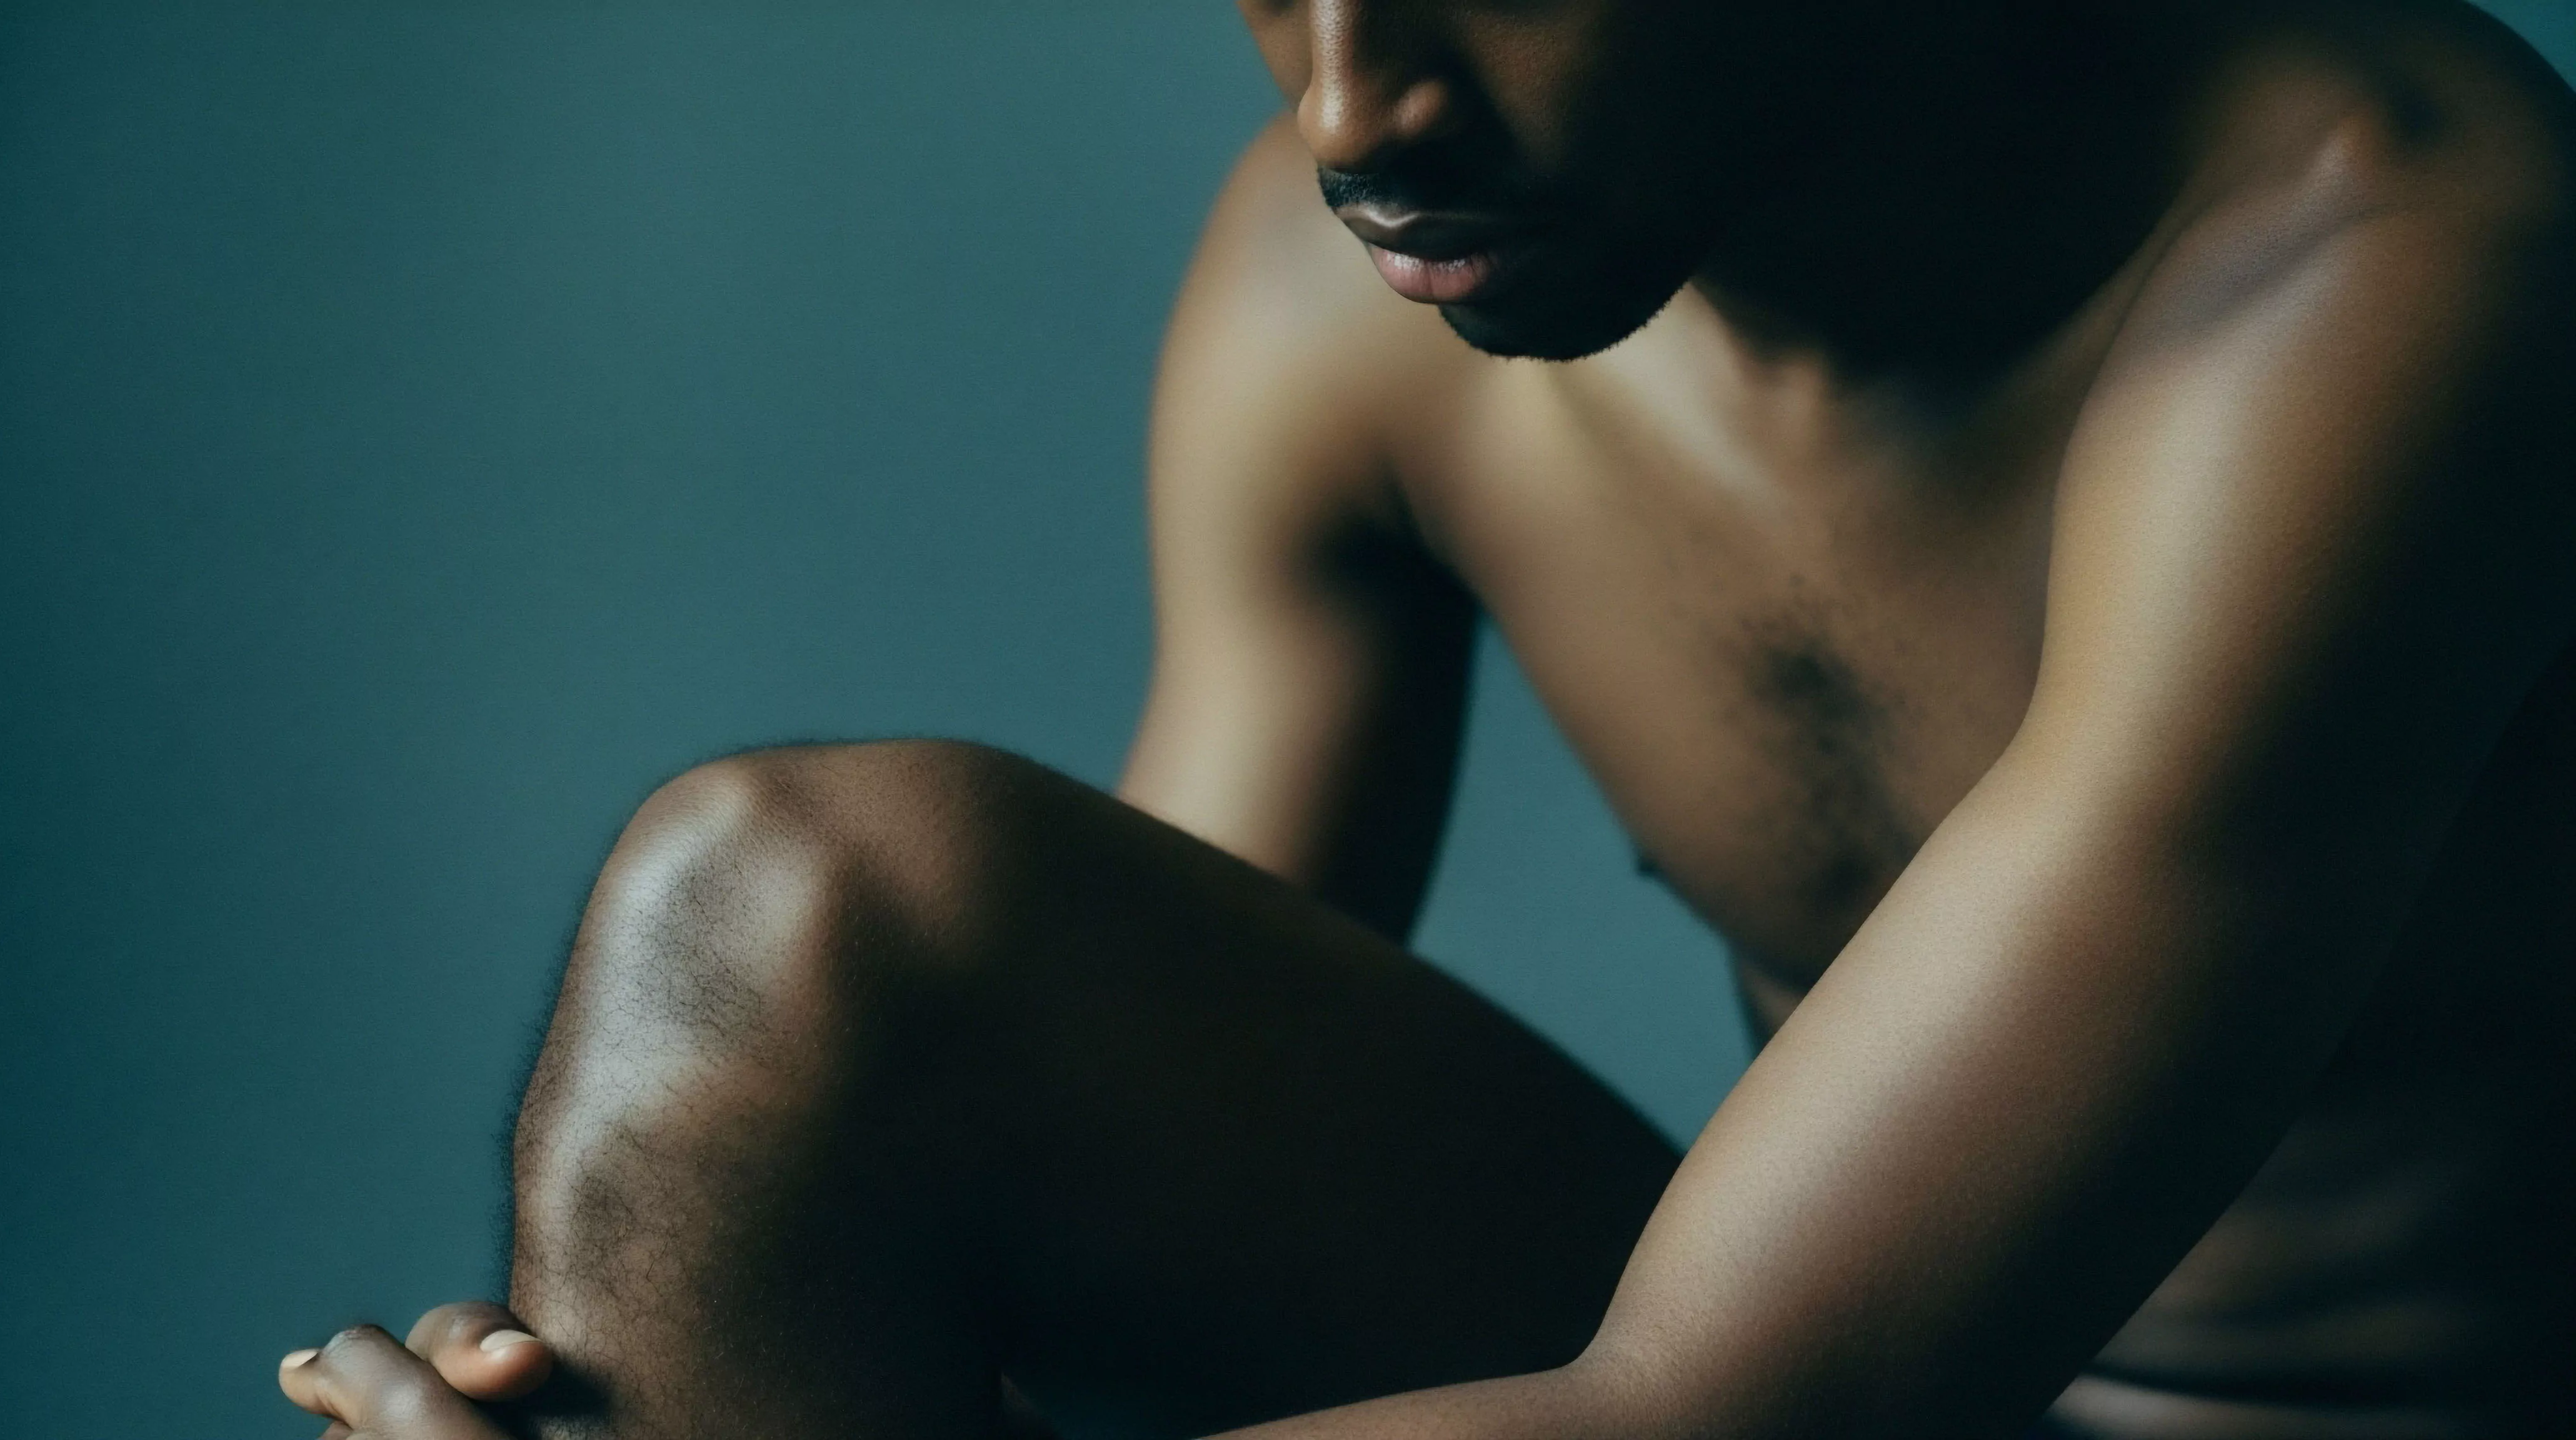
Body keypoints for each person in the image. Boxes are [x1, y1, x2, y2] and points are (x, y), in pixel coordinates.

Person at [273, 1, 2576, 1436]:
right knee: (785, 930)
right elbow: (1037, 1184)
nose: (1360, 99)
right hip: (1752, 1375)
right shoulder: (1346, 278)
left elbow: (1729, 1413)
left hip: (1911, 1399)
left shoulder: (2385, 268)